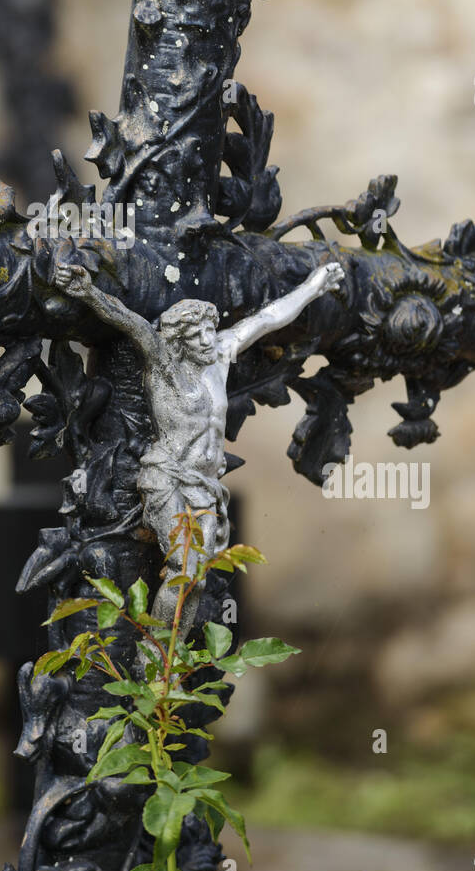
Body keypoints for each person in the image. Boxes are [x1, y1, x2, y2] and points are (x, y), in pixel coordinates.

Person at [53, 258, 345, 637]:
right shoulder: (163, 366)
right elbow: (130, 322)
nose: (208, 340)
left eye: (210, 330)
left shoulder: (221, 355)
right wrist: (88, 292)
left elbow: (269, 318)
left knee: (198, 580)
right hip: (168, 478)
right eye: (197, 335)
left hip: (205, 485)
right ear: (179, 340)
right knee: (184, 570)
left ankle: (169, 663)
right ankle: (152, 659)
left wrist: (313, 285)